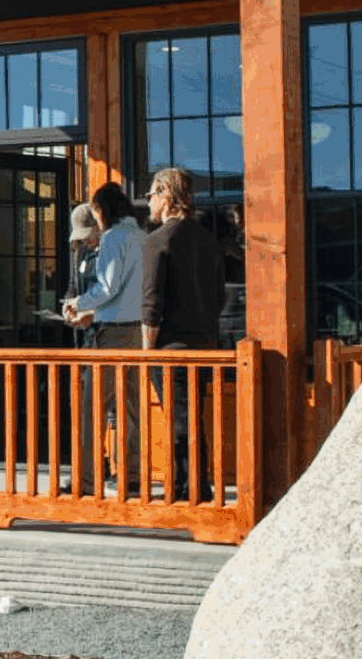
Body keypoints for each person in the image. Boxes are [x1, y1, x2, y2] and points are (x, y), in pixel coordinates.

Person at [141, 167, 224, 503]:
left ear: (165, 195)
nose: (148, 202)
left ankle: (184, 492)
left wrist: (147, 351)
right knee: (193, 418)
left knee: (178, 421)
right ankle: (195, 487)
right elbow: (219, 296)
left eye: (150, 195)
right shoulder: (207, 239)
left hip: (171, 347)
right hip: (205, 343)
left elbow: (151, 304)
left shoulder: (158, 240)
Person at [63, 182, 146, 496]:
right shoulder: (141, 235)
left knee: (92, 408)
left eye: (96, 211)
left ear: (102, 210)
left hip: (112, 332)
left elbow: (107, 287)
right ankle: (133, 475)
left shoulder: (113, 238)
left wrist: (77, 304)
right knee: (133, 407)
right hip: (139, 330)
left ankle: (86, 479)